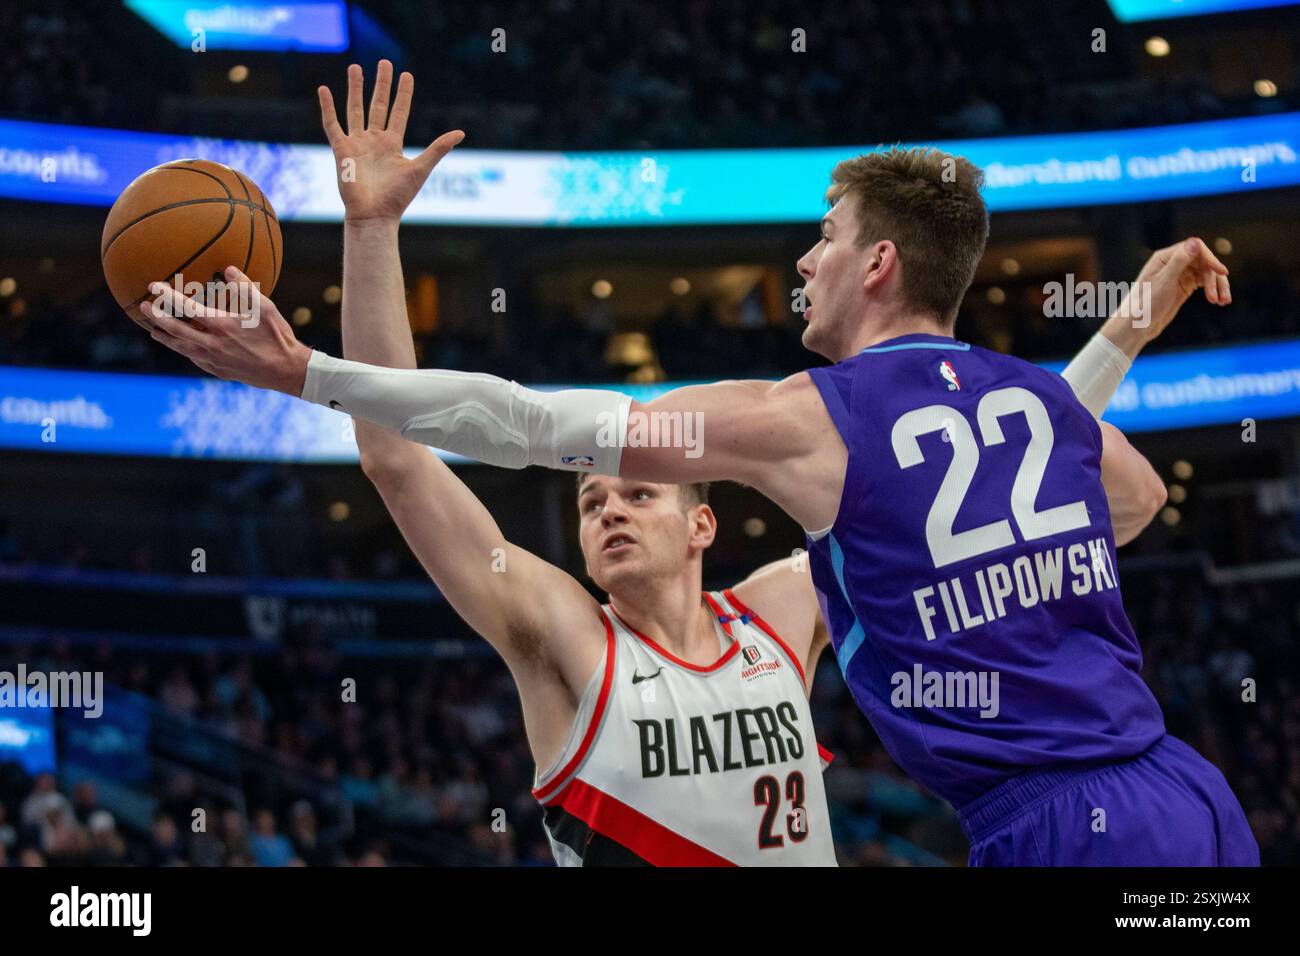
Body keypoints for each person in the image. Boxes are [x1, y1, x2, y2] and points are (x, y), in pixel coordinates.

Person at [140, 62, 1254, 866]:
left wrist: (306, 370)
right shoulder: (563, 629)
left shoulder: (790, 587)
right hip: (1184, 795)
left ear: (706, 519)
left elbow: (525, 419)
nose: (607, 507)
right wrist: (369, 242)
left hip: (1063, 823)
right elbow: (397, 457)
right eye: (590, 499)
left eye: (635, 487)